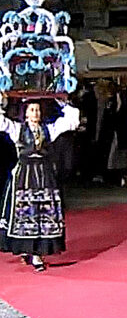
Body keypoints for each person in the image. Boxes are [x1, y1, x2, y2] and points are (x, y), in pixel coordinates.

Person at [0, 99, 80, 272]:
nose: (35, 113)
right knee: (26, 213)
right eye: (32, 110)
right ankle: (25, 247)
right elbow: (1, 123)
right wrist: (2, 102)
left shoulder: (48, 129)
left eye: (37, 110)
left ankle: (38, 253)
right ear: (25, 113)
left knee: (42, 213)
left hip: (44, 175)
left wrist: (63, 103)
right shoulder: (18, 129)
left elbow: (72, 121)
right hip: (24, 176)